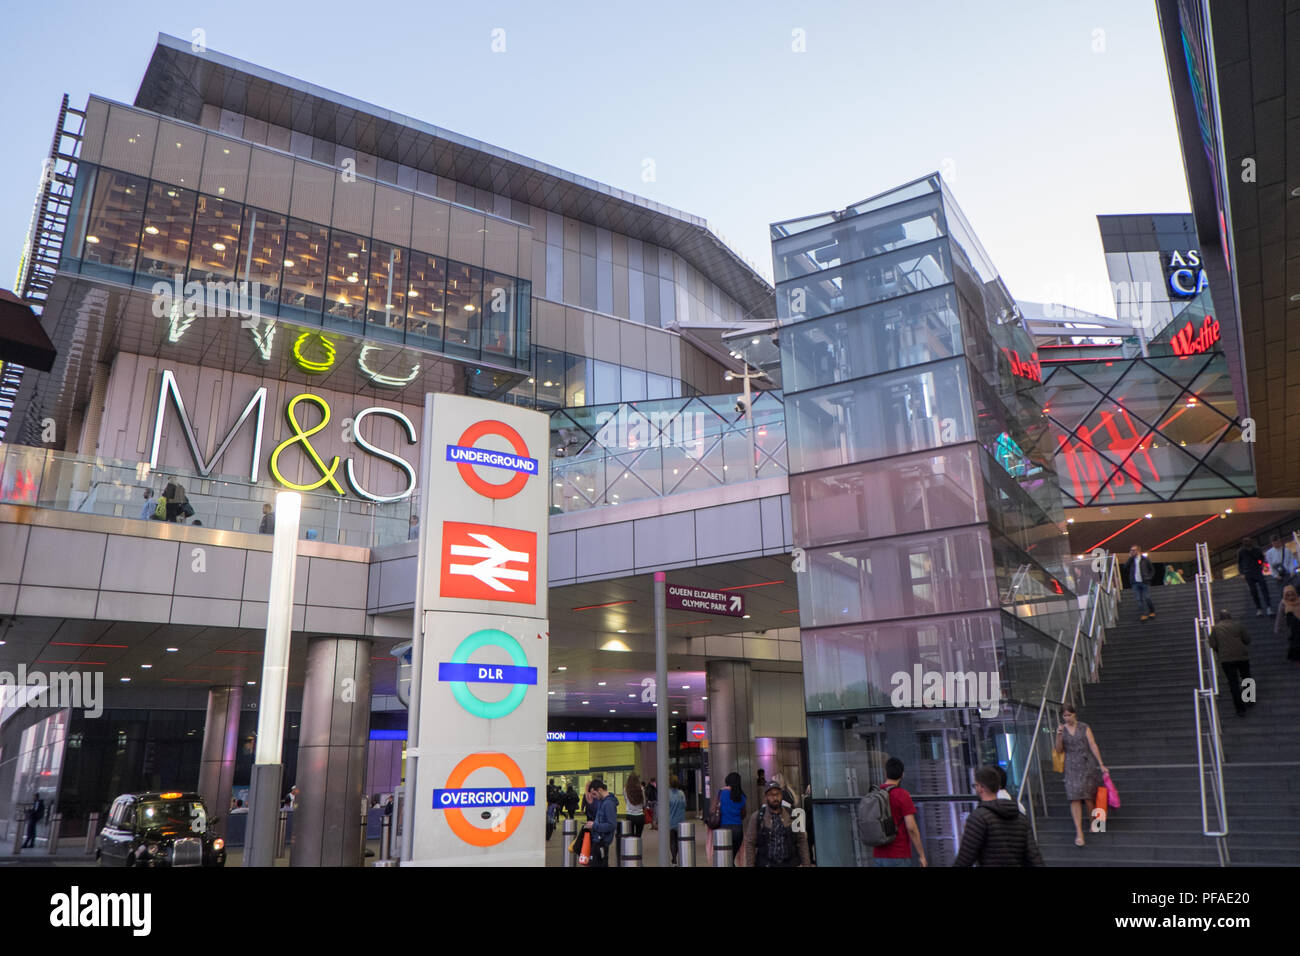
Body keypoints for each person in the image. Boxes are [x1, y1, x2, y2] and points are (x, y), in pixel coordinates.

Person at [953, 766, 1044, 866]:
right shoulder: (1021, 818)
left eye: (975, 785)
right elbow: (1034, 857)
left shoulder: (978, 818)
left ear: (980, 787)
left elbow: (965, 859)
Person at [1056, 704, 1107, 847]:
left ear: (1074, 714)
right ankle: (1079, 832)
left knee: (1088, 796)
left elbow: (1093, 745)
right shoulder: (1061, 730)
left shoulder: (1084, 727)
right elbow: (1059, 750)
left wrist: (1101, 764)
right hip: (1071, 766)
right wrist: (1059, 734)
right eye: (1064, 715)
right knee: (1074, 798)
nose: (1067, 718)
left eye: (1069, 715)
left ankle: (1093, 822)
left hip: (1086, 764)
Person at [741, 782, 812, 867]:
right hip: (766, 863)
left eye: (777, 794)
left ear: (781, 795)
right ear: (766, 797)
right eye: (771, 795)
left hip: (790, 863)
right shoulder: (757, 817)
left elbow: (801, 841)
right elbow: (750, 844)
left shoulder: (792, 815)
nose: (775, 797)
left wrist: (806, 864)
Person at [872, 757, 927, 867]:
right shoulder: (902, 795)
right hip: (898, 854)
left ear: (885, 773)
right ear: (902, 775)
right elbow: (911, 828)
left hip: (878, 854)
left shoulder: (875, 794)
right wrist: (921, 855)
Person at [1208, 610, 1253, 716]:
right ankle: (1250, 699)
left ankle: (1240, 709)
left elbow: (1212, 643)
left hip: (1226, 658)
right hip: (1242, 656)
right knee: (1246, 677)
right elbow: (1247, 640)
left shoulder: (1215, 628)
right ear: (1230, 617)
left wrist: (1220, 650)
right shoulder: (1238, 625)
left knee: (1233, 683)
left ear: (1220, 618)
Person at [712, 771, 747, 863]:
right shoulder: (742, 796)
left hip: (724, 830)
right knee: (730, 859)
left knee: (726, 860)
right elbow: (744, 814)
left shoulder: (721, 793)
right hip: (738, 830)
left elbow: (712, 809)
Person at [583, 780, 619, 867]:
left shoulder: (608, 804)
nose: (594, 797)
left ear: (600, 790)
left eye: (594, 794)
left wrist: (594, 825)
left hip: (602, 841)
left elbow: (611, 825)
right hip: (599, 840)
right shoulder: (603, 802)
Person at [1237, 536, 1273, 617]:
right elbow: (1240, 563)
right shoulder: (1242, 551)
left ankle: (1266, 607)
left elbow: (1261, 558)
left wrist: (1242, 572)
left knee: (1262, 588)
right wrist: (1242, 572)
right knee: (1254, 591)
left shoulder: (1255, 550)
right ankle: (1262, 608)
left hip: (1255, 570)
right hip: (1249, 572)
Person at [1127, 545, 1156, 621]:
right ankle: (1143, 614)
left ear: (1138, 551)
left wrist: (1149, 577)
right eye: (1131, 550)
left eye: (1134, 550)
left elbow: (1152, 570)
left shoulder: (1145, 559)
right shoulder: (1132, 560)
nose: (1132, 552)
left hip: (1144, 582)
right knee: (1139, 599)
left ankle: (1152, 611)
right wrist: (1130, 558)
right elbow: (1125, 567)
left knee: (1147, 597)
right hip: (1135, 583)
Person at [667, 776, 687, 864]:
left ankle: (674, 857)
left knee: (672, 841)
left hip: (671, 820)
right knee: (679, 840)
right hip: (680, 820)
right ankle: (678, 856)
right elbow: (685, 805)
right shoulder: (681, 793)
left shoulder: (667, 793)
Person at [1277, 585, 1300, 662]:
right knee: (1294, 641)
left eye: (1292, 594)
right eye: (1288, 594)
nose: (1290, 596)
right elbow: (1280, 616)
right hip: (1291, 626)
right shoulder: (1283, 603)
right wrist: (1278, 627)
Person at [623, 774, 645, 838]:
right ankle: (638, 847)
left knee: (631, 837)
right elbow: (644, 803)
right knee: (638, 836)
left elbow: (626, 801)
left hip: (630, 815)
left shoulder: (625, 789)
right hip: (640, 815)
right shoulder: (641, 788)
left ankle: (632, 848)